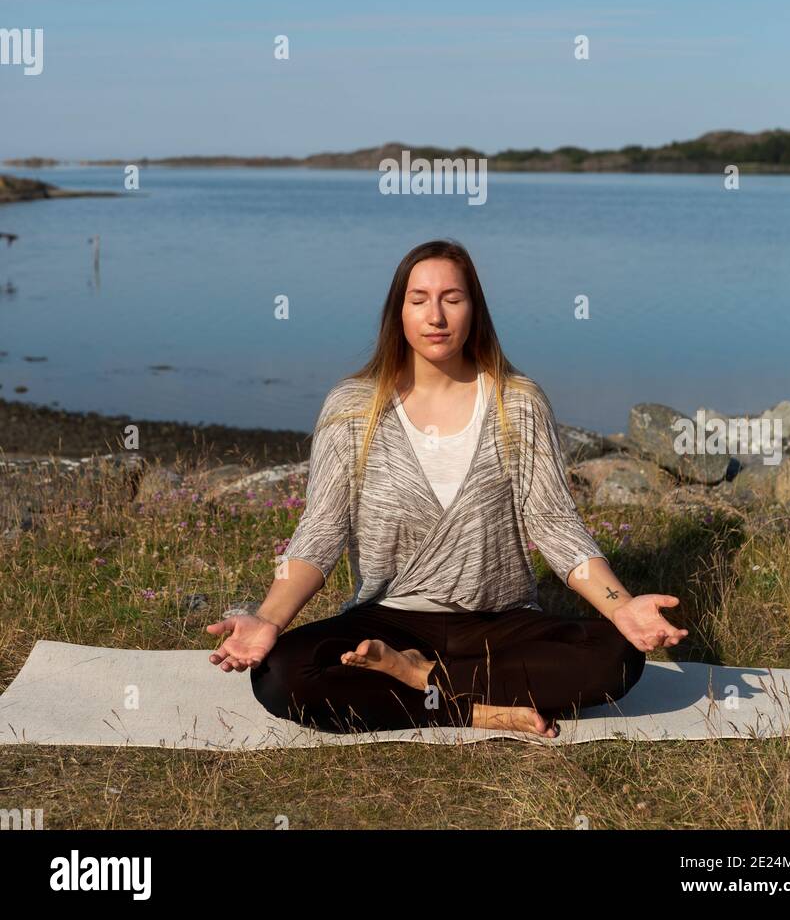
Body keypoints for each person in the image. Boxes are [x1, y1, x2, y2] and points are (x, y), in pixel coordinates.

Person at [207, 239, 687, 738]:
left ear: (474, 309)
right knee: (280, 673)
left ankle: (424, 681)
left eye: (452, 299)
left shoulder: (517, 403)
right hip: (389, 620)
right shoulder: (353, 407)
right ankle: (477, 708)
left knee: (617, 659)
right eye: (419, 300)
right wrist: (267, 619)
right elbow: (321, 531)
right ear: (399, 312)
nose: (435, 315)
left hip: (497, 622)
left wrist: (621, 604)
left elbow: (555, 524)